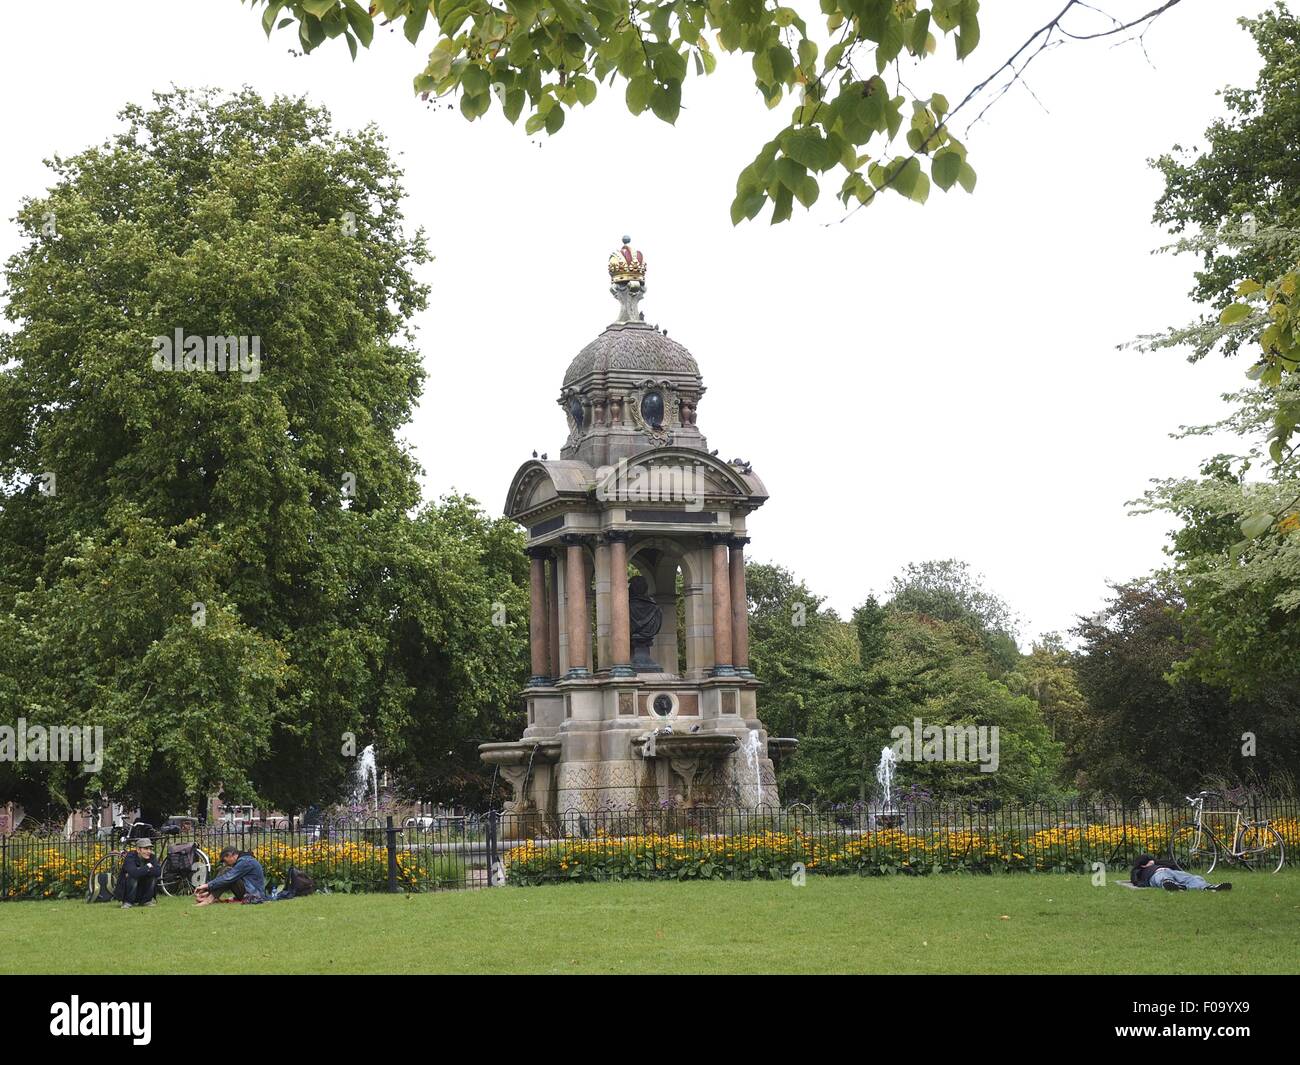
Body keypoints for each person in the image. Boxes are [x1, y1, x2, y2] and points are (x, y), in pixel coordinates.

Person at [195, 846, 267, 905]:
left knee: (227, 872)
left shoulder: (246, 861)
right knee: (226, 872)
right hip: (249, 893)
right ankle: (209, 896)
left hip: (254, 896)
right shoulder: (244, 860)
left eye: (225, 861)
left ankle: (209, 899)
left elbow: (228, 878)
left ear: (230, 855)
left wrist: (207, 885)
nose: (226, 863)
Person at [1131, 853, 1231, 892]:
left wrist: (1155, 862)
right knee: (1162, 877)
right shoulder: (1140, 870)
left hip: (1172, 872)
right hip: (1156, 874)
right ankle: (1171, 885)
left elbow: (1172, 864)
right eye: (1148, 861)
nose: (1151, 862)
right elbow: (1134, 877)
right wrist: (1139, 883)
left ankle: (1209, 887)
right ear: (1143, 865)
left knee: (1192, 878)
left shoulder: (1157, 863)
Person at [114, 838, 161, 908]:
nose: (149, 851)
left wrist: (140, 871)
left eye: (150, 849)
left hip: (141, 888)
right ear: (138, 850)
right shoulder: (130, 856)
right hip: (128, 890)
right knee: (132, 877)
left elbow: (158, 872)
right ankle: (128, 902)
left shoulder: (152, 857)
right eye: (146, 848)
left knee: (152, 877)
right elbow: (134, 873)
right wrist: (148, 867)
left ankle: (146, 901)